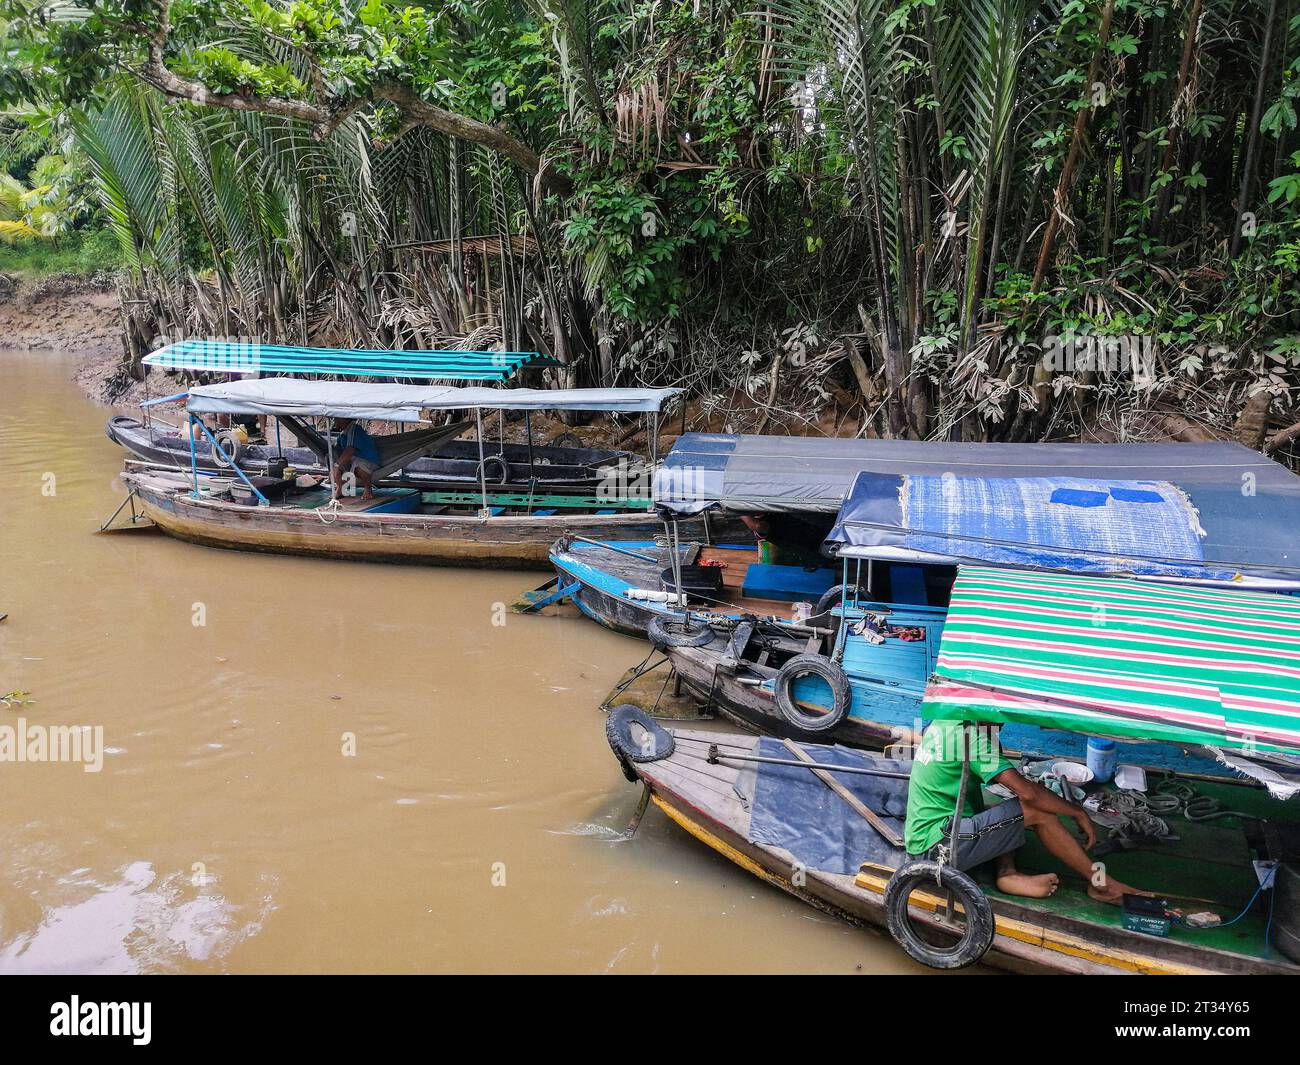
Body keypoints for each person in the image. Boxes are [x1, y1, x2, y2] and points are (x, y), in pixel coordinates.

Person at [904, 719, 1149, 904]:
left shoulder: (947, 722)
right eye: (1000, 715)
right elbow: (1028, 794)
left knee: (1007, 808)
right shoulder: (971, 738)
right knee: (1036, 810)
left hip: (932, 833)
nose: (1003, 723)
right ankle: (1101, 884)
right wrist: (1077, 812)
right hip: (937, 850)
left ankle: (1007, 874)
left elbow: (1001, 781)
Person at [332, 418, 379, 500]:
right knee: (333, 461)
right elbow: (338, 449)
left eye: (336, 419)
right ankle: (341, 489)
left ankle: (368, 489)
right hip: (351, 460)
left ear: (343, 419)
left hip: (367, 459)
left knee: (358, 466)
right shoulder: (343, 433)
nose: (334, 420)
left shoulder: (354, 429)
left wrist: (337, 465)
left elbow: (350, 449)